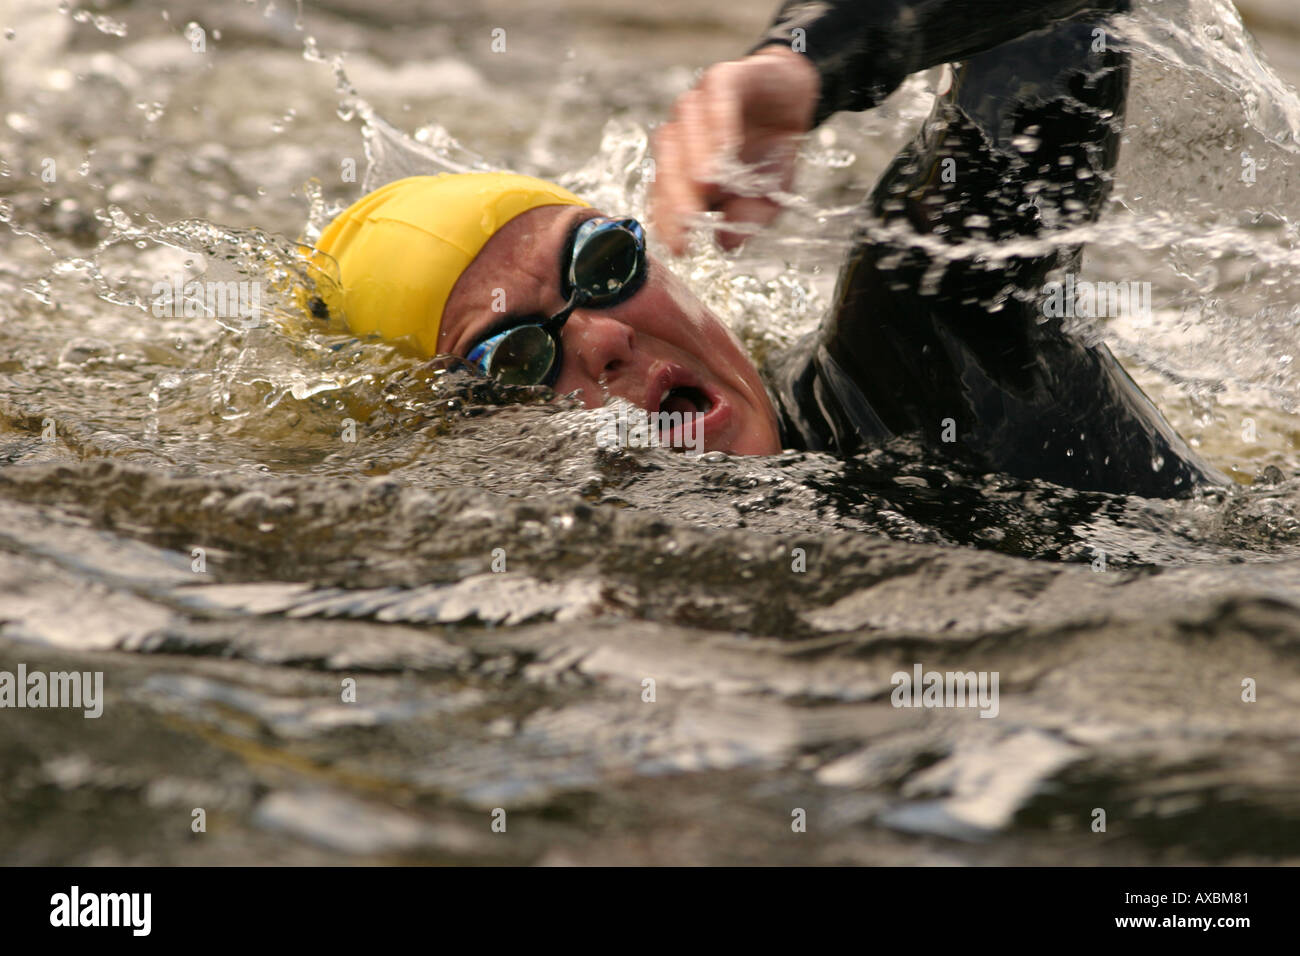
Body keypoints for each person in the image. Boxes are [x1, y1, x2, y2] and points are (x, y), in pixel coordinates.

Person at [308, 0, 1225, 498]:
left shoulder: (915, 355)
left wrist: (807, 60)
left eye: (600, 265)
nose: (602, 339)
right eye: (513, 358)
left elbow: (1061, 18)